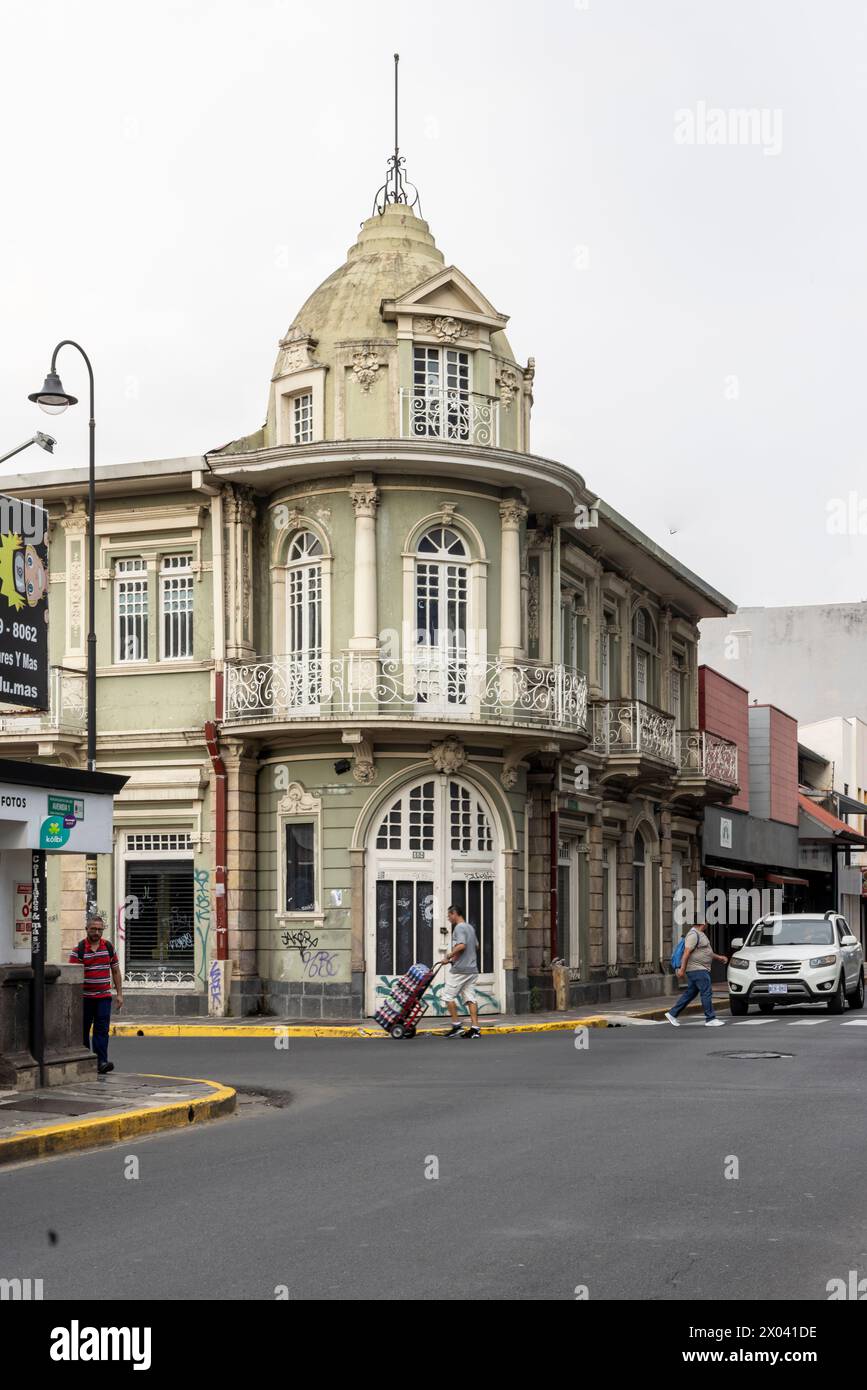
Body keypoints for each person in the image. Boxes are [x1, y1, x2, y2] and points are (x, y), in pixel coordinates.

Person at [70, 913, 124, 1073]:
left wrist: (119, 994)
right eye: (93, 929)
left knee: (101, 1031)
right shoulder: (78, 951)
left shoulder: (108, 947)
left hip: (103, 998)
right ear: (87, 929)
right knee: (83, 1031)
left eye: (100, 929)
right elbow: (73, 977)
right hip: (84, 999)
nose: (97, 932)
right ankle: (86, 1062)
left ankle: (101, 1062)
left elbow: (115, 971)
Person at [665, 921, 728, 1027]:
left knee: (690, 993)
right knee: (706, 992)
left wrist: (719, 957)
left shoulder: (700, 934)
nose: (708, 924)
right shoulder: (693, 935)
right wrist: (682, 969)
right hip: (697, 969)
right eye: (706, 922)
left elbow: (707, 952)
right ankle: (710, 1018)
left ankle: (672, 1014)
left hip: (699, 969)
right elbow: (686, 953)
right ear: (702, 923)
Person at [441, 905, 482, 1039]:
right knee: (470, 998)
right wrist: (465, 958)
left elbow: (461, 945)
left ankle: (456, 1025)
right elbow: (476, 946)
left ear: (455, 914)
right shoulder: (470, 927)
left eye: (449, 915)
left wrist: (449, 957)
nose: (448, 918)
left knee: (447, 996)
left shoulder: (459, 928)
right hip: (472, 969)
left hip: (460, 970)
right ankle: (475, 1028)